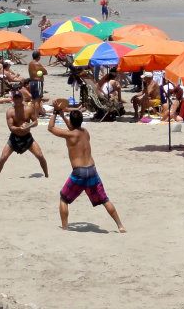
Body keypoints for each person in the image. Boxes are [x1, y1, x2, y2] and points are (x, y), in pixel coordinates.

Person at [48, 99, 126, 233]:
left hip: (79, 173)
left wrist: (55, 113)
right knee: (105, 200)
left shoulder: (70, 135)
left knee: (64, 198)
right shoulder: (85, 132)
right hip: (92, 171)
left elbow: (50, 128)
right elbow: (73, 127)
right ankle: (120, 225)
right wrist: (62, 114)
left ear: (71, 122)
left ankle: (65, 227)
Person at [0, 89, 48, 179]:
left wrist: (28, 125)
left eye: (19, 97)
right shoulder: (10, 111)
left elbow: (35, 122)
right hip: (14, 138)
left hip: (27, 137)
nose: (17, 100)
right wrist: (19, 128)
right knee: (3, 157)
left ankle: (47, 175)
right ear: (13, 99)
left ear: (22, 98)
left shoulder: (28, 109)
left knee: (40, 155)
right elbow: (11, 127)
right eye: (15, 98)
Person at [28, 50, 47, 117]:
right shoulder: (37, 64)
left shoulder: (30, 64)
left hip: (31, 82)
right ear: (38, 57)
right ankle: (36, 115)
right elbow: (45, 72)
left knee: (33, 99)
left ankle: (33, 114)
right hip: (38, 82)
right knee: (38, 100)